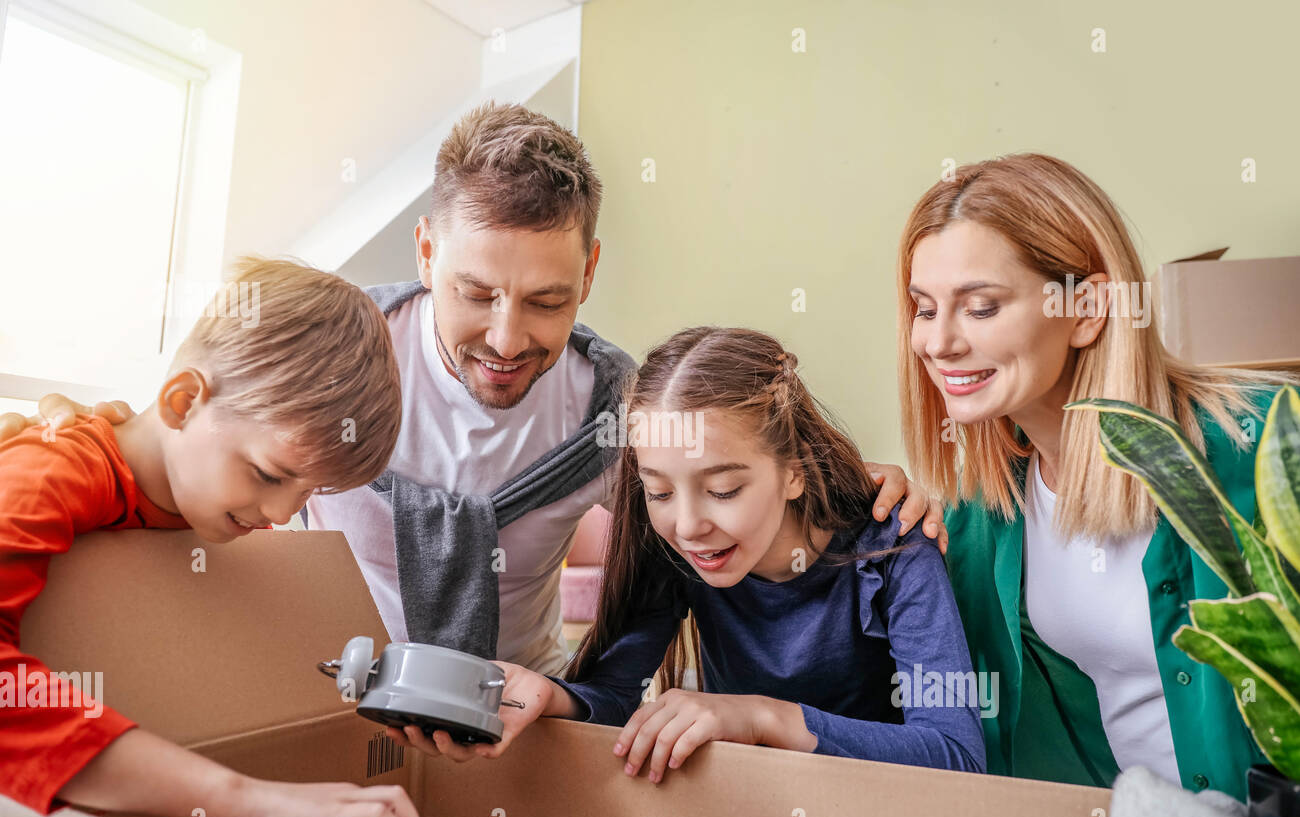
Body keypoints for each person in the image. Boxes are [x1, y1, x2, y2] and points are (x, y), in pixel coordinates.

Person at [6, 102, 952, 762]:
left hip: (516, 703)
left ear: (589, 274)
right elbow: (187, 433)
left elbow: (723, 457)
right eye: (473, 292)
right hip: (315, 689)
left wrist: (848, 478)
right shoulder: (337, 361)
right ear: (425, 250)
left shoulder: (620, 412)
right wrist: (71, 427)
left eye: (545, 300)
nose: (505, 339)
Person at [401, 327, 986, 782]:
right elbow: (613, 697)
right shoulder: (681, 553)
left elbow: (955, 756)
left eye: (724, 490)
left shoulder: (897, 548)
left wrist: (760, 719)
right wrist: (548, 693)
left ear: (793, 473)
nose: (687, 525)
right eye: (658, 491)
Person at [896, 152, 1296, 801]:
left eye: (981, 307)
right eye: (923, 308)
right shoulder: (984, 509)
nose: (938, 342)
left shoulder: (1260, 447)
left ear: (1087, 310)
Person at [0, 257, 423, 817]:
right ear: (182, 400)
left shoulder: (198, 510)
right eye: (270, 475)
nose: (281, 514)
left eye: (308, 494)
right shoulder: (50, 470)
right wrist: (239, 803)